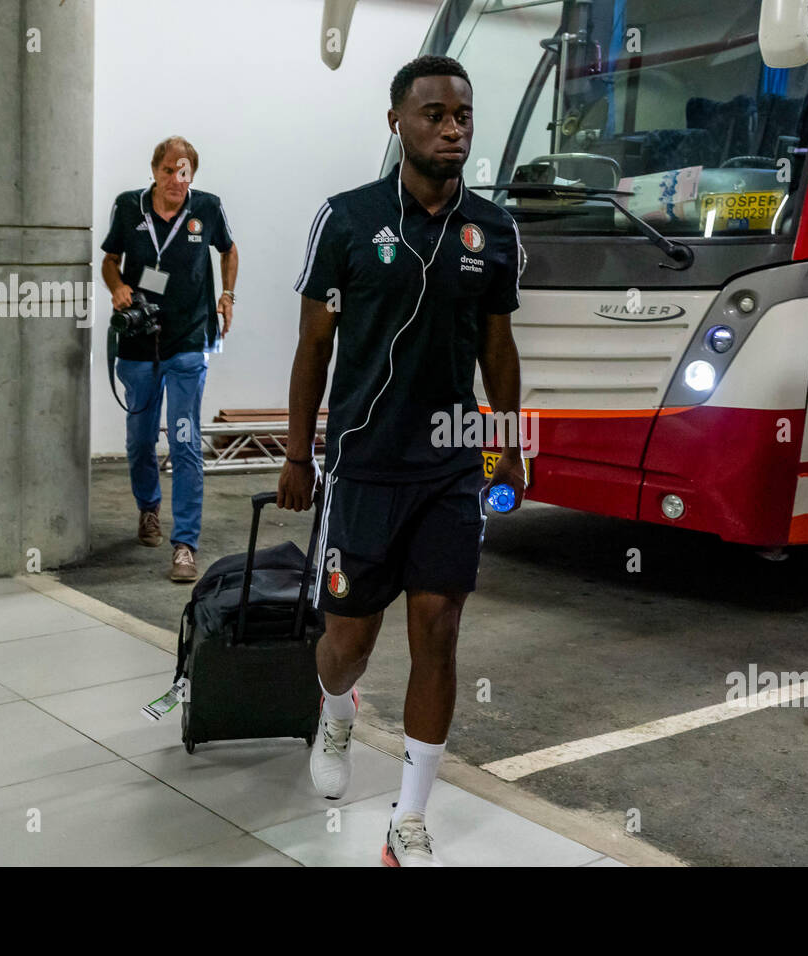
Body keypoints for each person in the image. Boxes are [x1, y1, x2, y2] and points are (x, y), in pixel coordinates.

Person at [277, 55, 526, 866]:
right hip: (364, 466)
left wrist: (508, 443)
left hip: (451, 468)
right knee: (348, 639)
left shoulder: (493, 229)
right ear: (397, 123)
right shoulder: (345, 220)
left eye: (463, 114)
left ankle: (407, 819)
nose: (452, 127)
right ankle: (337, 710)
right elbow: (314, 345)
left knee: (439, 632)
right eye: (434, 114)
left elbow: (498, 343)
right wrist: (296, 453)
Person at [101, 136, 238, 582]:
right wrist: (117, 288)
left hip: (187, 342)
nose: (176, 180)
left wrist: (228, 295)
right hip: (140, 343)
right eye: (168, 171)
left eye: (185, 172)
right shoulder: (128, 207)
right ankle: (148, 509)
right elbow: (110, 260)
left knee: (183, 440)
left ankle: (185, 545)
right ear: (155, 171)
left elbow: (229, 250)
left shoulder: (208, 209)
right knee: (141, 440)